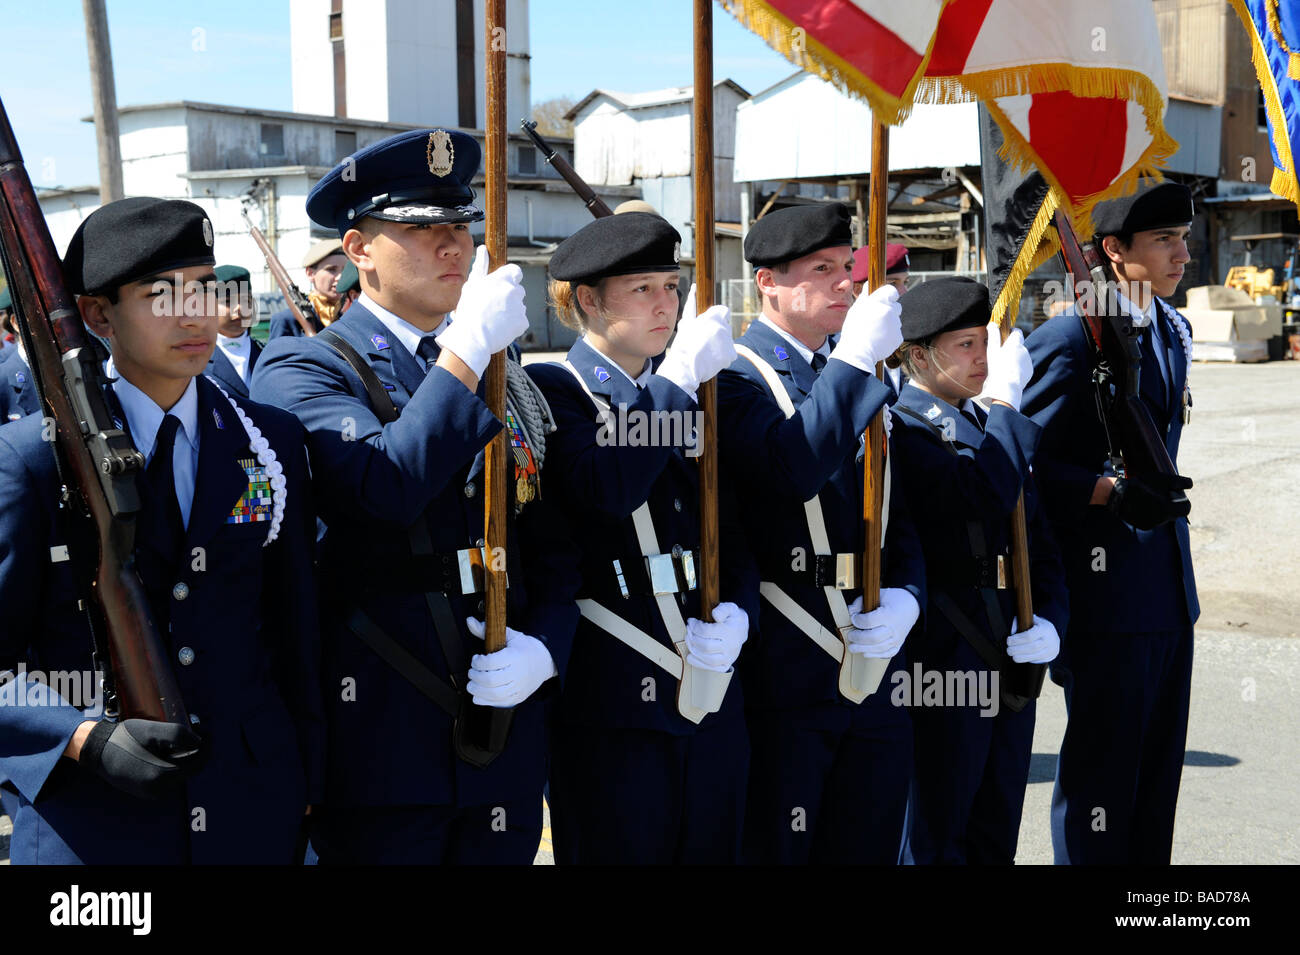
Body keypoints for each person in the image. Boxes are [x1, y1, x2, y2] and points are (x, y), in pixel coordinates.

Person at [251, 128, 580, 865]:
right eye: (420, 229)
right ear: (359, 247)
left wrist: (547, 647)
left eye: (459, 227)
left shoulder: (500, 367)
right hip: (386, 740)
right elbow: (383, 490)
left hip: (502, 731)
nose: (452, 247)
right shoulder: (303, 365)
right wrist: (465, 354)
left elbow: (550, 536)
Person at [0, 197, 322, 864]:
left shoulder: (269, 440)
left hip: (250, 810)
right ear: (97, 314)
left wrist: (308, 783)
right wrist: (81, 734)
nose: (194, 313)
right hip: (96, 826)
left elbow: (295, 632)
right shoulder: (34, 457)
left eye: (205, 287)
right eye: (160, 293)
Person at [526, 212, 757, 864]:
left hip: (710, 691)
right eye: (644, 289)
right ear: (589, 301)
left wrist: (739, 607)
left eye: (671, 285)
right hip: (615, 703)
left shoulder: (689, 392)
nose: (668, 304)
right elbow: (609, 484)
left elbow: (732, 527)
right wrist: (675, 378)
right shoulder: (555, 390)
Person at [717, 202, 926, 864]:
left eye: (847, 267)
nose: (845, 283)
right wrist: (858, 361)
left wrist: (910, 593)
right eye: (821, 269)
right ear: (768, 284)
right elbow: (790, 469)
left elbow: (900, 510)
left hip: (875, 656)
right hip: (787, 668)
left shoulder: (854, 371)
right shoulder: (730, 375)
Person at [1022, 180, 1199, 865]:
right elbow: (1020, 466)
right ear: (1114, 251)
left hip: (1166, 592)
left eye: (1182, 238)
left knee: (1156, 784)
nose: (1181, 253)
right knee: (1102, 780)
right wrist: (1102, 491)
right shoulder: (1070, 338)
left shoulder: (1168, 332)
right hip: (1105, 597)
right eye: (1163, 240)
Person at [887, 277, 1066, 864]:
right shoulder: (903, 429)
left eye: (987, 342)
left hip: (1010, 655)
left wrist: (1051, 620)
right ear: (919, 355)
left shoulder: (993, 425)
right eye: (966, 344)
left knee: (996, 830)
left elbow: (1041, 547)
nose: (984, 359)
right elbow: (975, 500)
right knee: (938, 834)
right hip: (945, 660)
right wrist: (1008, 413)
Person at [266, 238, 348, 339]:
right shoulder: (287, 320)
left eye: (345, 270)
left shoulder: (351, 315)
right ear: (310, 273)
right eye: (331, 269)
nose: (340, 277)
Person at [203, 264, 261, 398]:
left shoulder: (265, 353)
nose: (240, 308)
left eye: (246, 301)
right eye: (228, 301)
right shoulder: (196, 358)